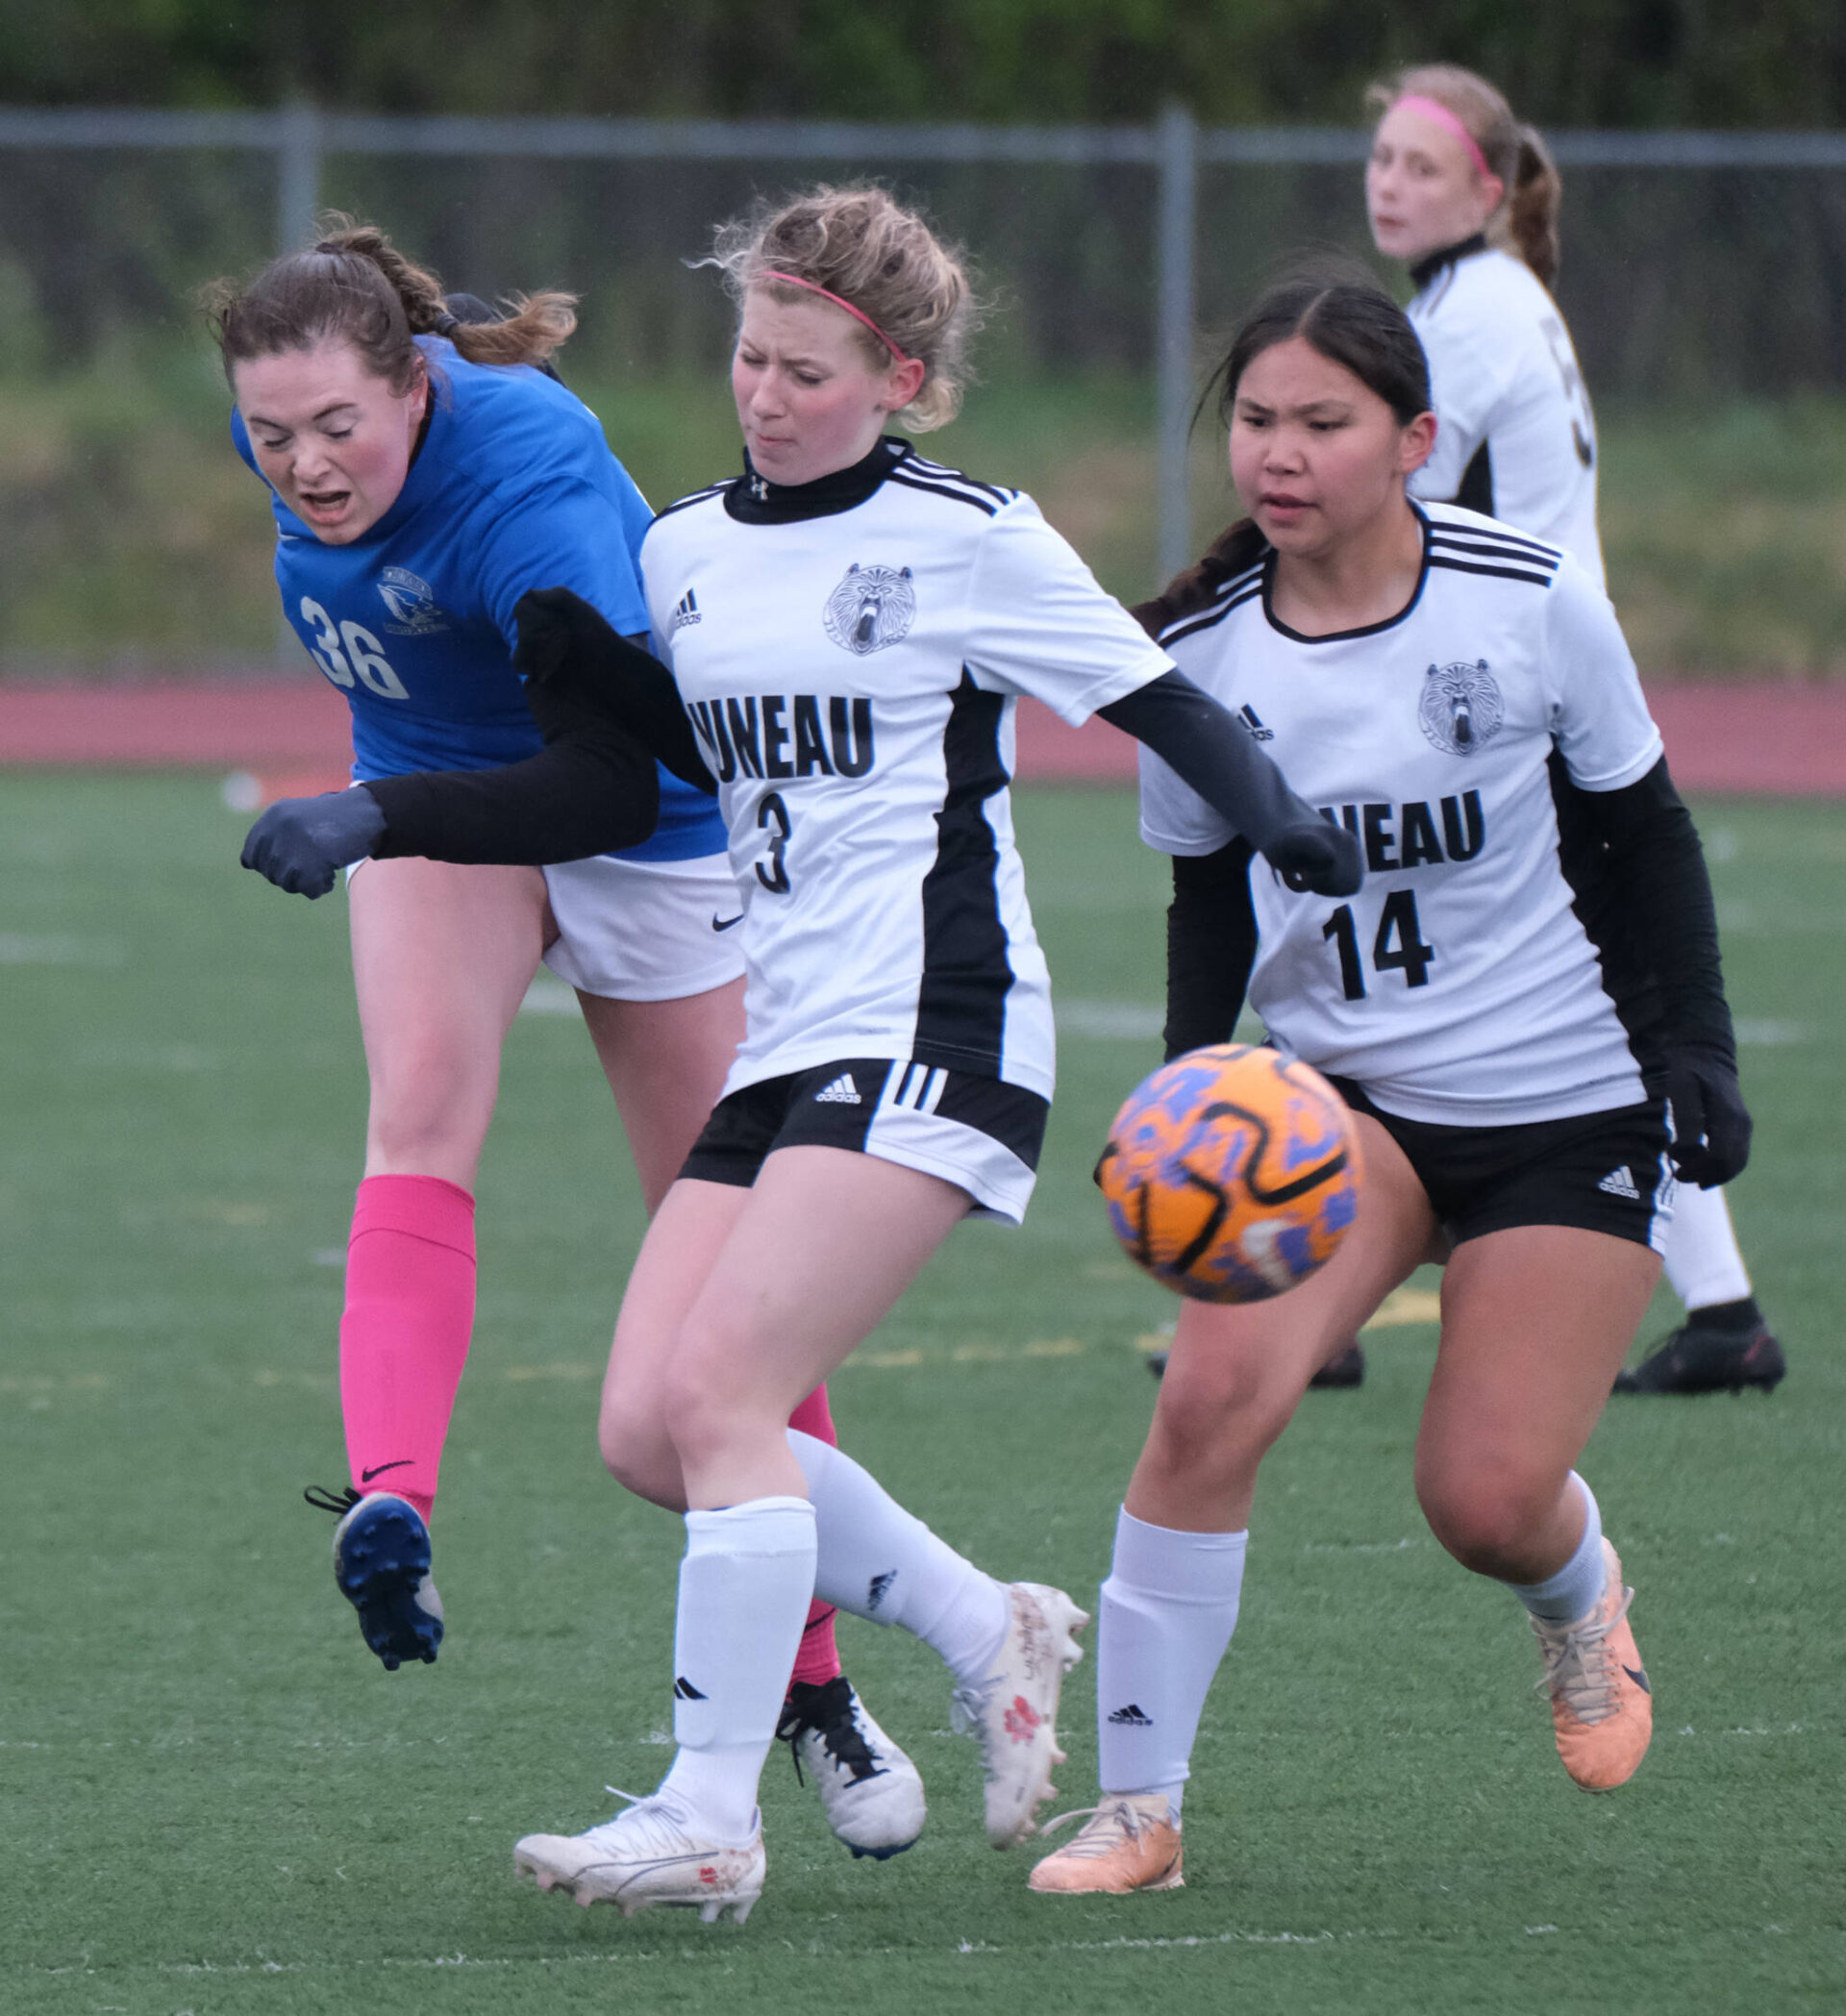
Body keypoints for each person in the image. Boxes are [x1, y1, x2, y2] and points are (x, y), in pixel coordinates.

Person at [241, 186, 1364, 1925]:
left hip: (941, 1020)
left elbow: (1165, 705)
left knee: (717, 1397)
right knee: (645, 1430)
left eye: (808, 368)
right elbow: (618, 788)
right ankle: (981, 1619)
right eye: (751, 358)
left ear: (900, 377)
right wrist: (417, 798)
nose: (765, 394)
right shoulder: (684, 547)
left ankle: (708, 1809)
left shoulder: (970, 536)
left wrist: (1285, 823)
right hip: (791, 1041)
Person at [1026, 271, 1750, 1897]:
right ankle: (1138, 1810)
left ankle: (1582, 1602)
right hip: (1335, 1107)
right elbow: (1206, 895)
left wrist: (1692, 1043)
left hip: (1563, 1105)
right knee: (1209, 1398)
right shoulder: (1192, 656)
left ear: (1416, 440)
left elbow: (1648, 838)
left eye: (1322, 423)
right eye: (1257, 422)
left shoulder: (1530, 595)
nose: (1278, 455)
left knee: (1483, 1499)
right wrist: (1184, 1098)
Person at [215, 220, 928, 1860]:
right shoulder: (310, 403)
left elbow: (606, 776)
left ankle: (815, 1683)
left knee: (733, 1282)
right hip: (436, 786)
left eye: (340, 428)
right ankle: (391, 1500)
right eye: (271, 437)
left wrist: (376, 813)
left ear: (418, 389)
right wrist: (397, 803)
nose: (307, 466)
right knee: (418, 1121)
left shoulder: (526, 471)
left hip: (647, 814)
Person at [1364, 62, 1783, 1399]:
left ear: (1488, 188)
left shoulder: (1472, 314)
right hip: (1519, 675)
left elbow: (1381, 486)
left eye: (1422, 167)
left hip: (1505, 688)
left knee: (1393, 941)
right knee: (1574, 982)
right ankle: (1720, 1307)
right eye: (1381, 160)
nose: (1391, 183)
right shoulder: (1486, 298)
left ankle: (1290, 1259)